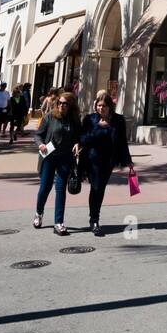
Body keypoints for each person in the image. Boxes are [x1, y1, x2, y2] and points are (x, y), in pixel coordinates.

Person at [75, 90, 133, 238]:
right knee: (96, 188)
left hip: (108, 162)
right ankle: (94, 220)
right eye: (99, 105)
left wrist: (128, 160)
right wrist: (97, 129)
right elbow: (83, 138)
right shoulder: (90, 119)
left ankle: (94, 217)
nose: (101, 108)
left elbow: (122, 142)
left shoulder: (118, 120)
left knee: (99, 189)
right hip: (91, 160)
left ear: (110, 107)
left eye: (104, 106)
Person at [33, 91, 78, 236]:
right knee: (45, 188)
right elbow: (38, 135)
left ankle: (58, 223)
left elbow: (78, 136)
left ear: (70, 105)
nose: (62, 106)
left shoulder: (74, 120)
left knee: (60, 189)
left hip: (65, 158)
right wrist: (41, 145)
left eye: (65, 103)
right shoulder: (50, 117)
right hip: (49, 156)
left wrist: (78, 143)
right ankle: (39, 213)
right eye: (60, 103)